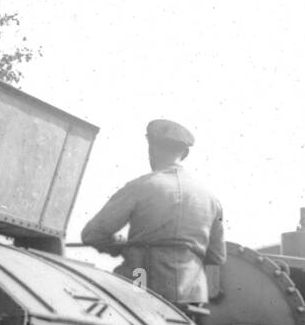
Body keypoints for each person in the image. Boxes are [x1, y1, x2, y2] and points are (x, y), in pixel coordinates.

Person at [80, 119, 225, 305]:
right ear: (185, 153)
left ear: (151, 150)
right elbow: (217, 256)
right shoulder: (211, 198)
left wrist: (117, 244)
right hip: (191, 296)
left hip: (141, 286)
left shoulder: (140, 187)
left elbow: (92, 234)